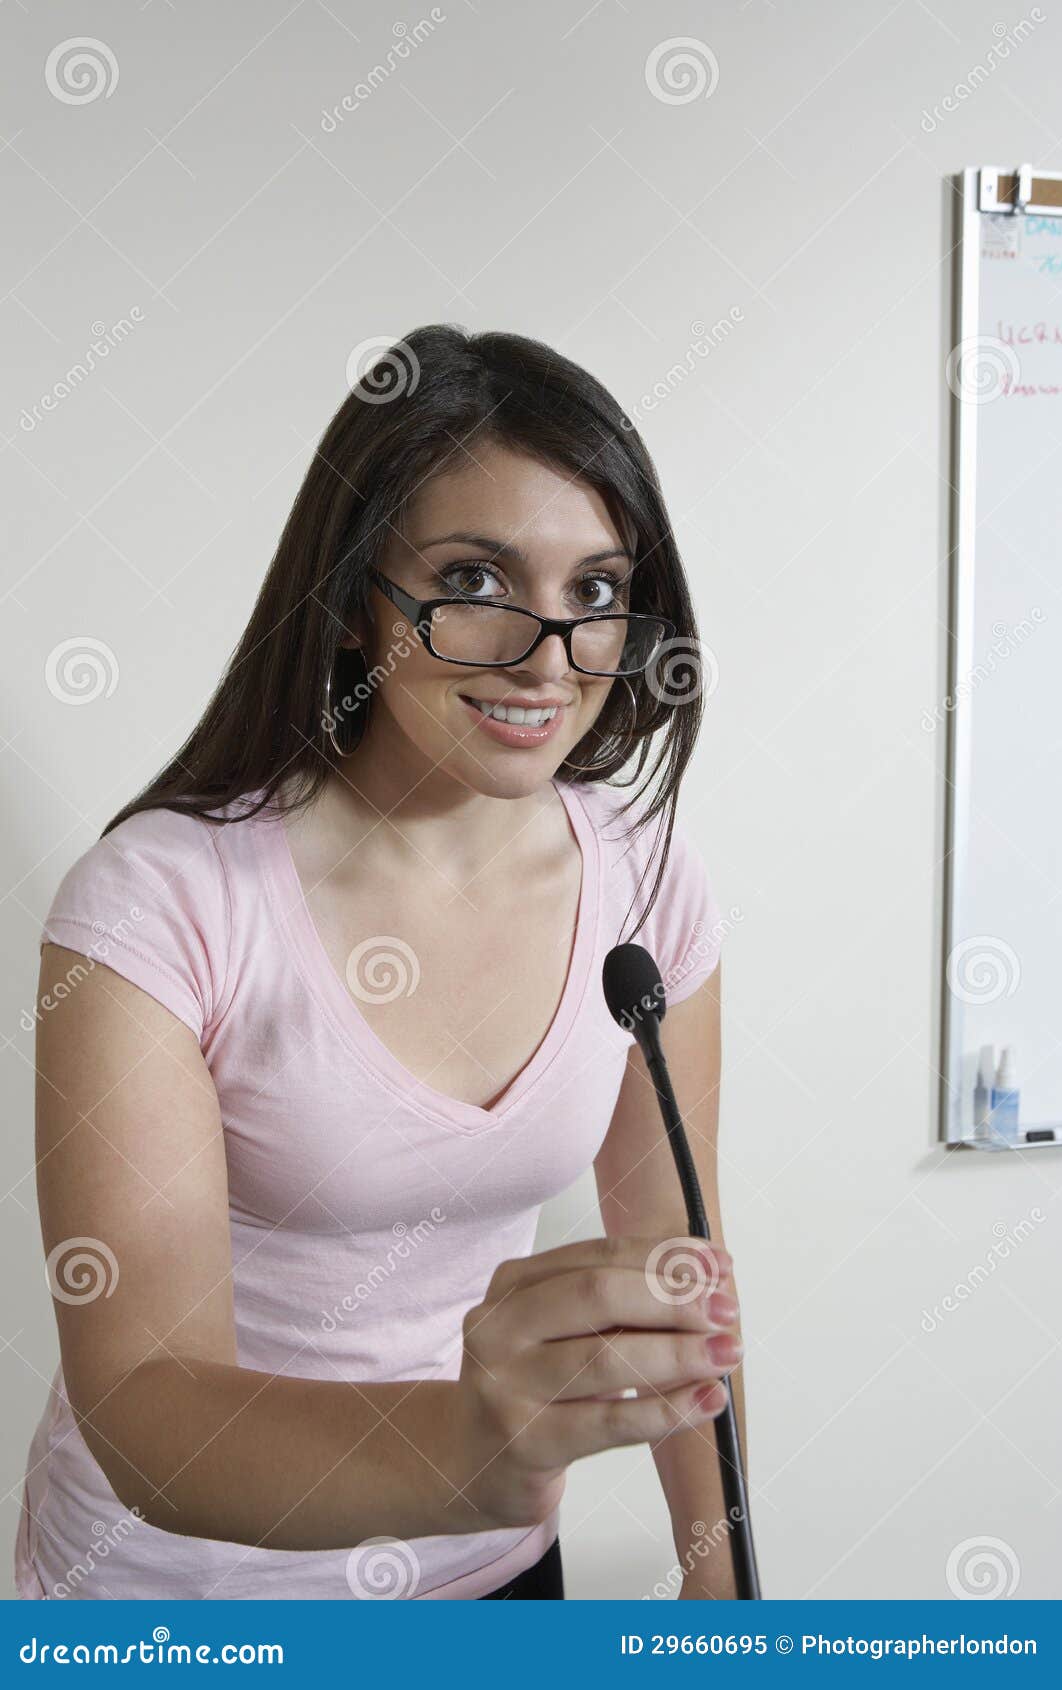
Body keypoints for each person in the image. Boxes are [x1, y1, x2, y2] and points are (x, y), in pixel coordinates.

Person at [16, 325, 746, 1602]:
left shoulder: (646, 881)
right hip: (180, 1603)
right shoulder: (160, 901)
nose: (546, 656)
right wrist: (467, 1446)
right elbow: (140, 1398)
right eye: (474, 577)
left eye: (593, 591)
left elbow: (682, 1260)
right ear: (358, 599)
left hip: (490, 1569)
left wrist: (720, 1572)